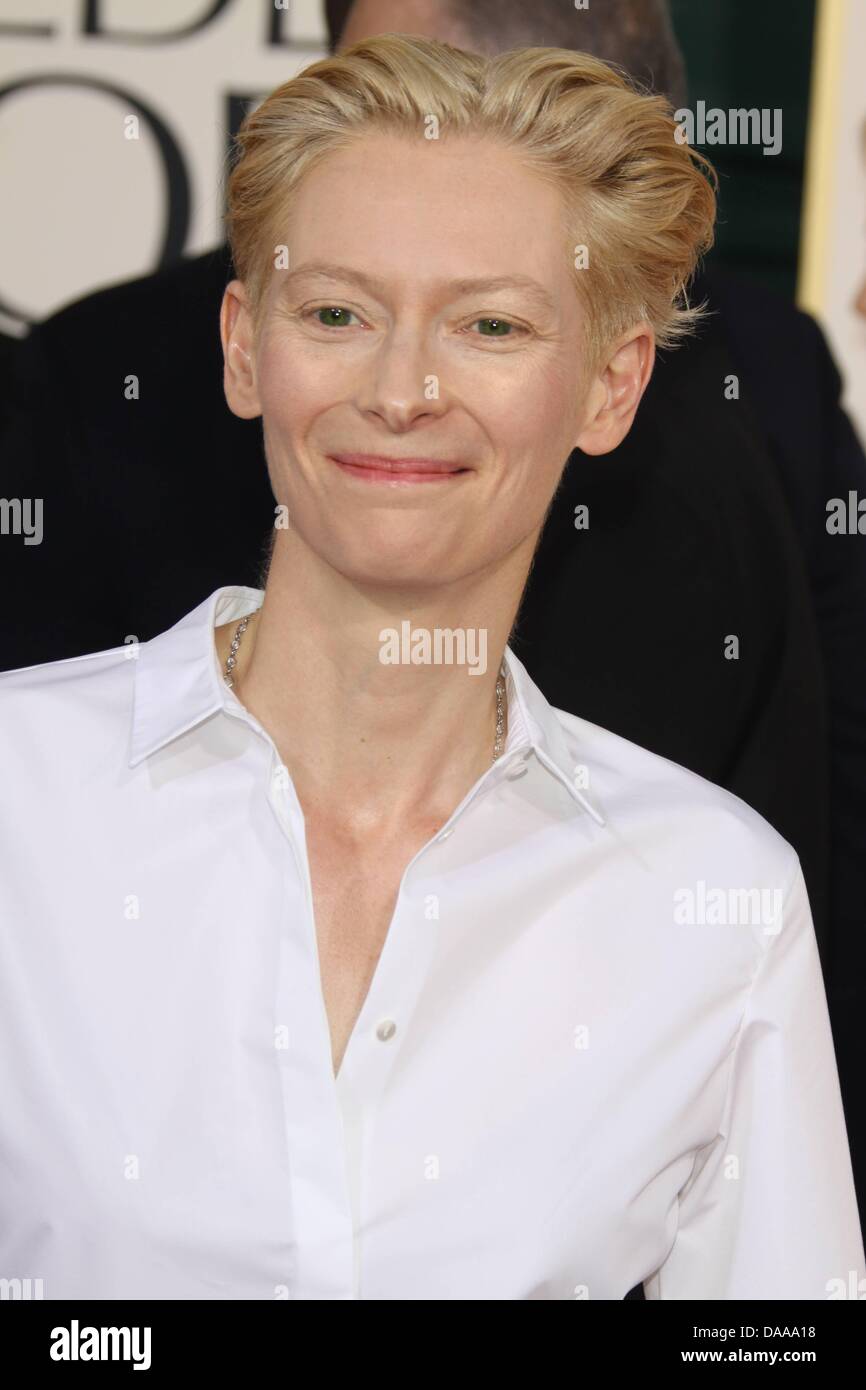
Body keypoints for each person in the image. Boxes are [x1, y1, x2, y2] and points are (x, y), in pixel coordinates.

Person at [0, 33, 862, 1302]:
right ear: (246, 348)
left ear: (609, 387)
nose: (402, 389)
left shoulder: (711, 899)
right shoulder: (21, 798)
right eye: (337, 312)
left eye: (491, 324)